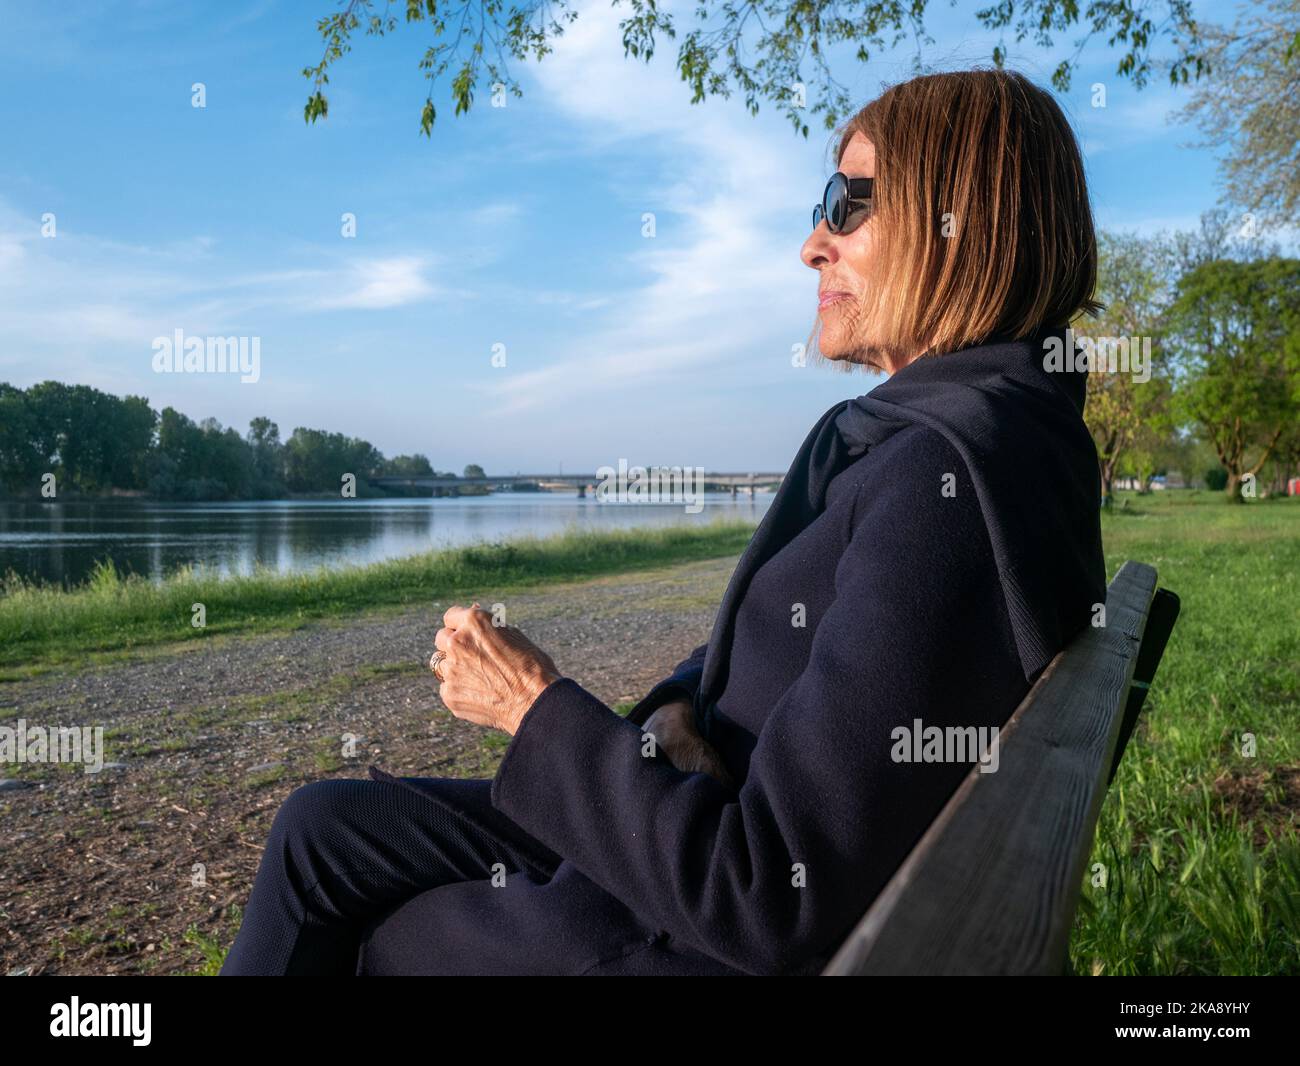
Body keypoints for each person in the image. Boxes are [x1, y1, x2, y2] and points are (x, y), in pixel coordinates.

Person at [220, 68, 1106, 976]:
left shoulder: (940, 481)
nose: (812, 244)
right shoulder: (973, 437)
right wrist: (679, 709)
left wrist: (531, 706)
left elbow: (770, 895)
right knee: (321, 829)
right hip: (695, 816)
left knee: (384, 932)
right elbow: (808, 650)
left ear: (962, 224)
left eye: (848, 204)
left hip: (684, 910)